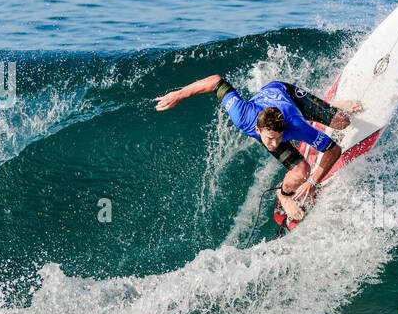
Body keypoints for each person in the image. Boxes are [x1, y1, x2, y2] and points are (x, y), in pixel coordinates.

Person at [154, 74, 361, 221]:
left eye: (279, 138)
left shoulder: (295, 126)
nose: (274, 144)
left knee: (343, 122)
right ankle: (284, 195)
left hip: (286, 96)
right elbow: (215, 81)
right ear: (257, 129)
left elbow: (333, 149)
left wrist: (314, 182)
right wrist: (179, 94)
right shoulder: (241, 115)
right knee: (301, 171)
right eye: (270, 138)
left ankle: (330, 108)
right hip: (271, 99)